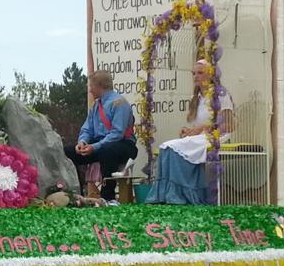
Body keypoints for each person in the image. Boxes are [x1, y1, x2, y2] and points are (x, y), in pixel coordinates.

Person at [145, 60, 235, 205]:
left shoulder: (220, 95)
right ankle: (166, 195)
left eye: (200, 73)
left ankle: (184, 196)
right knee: (166, 147)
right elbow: (198, 127)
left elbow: (229, 125)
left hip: (218, 137)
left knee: (174, 148)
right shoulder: (197, 98)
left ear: (211, 75)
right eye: (193, 73)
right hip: (202, 137)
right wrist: (188, 131)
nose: (195, 76)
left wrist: (202, 129)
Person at [62, 70, 137, 202]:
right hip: (99, 145)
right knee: (68, 152)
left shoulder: (119, 103)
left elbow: (117, 134)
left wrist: (95, 147)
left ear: (100, 86)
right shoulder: (96, 105)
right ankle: (74, 194)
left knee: (107, 151)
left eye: (91, 86)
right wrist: (82, 142)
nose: (90, 90)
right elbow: (87, 128)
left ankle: (108, 197)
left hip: (124, 145)